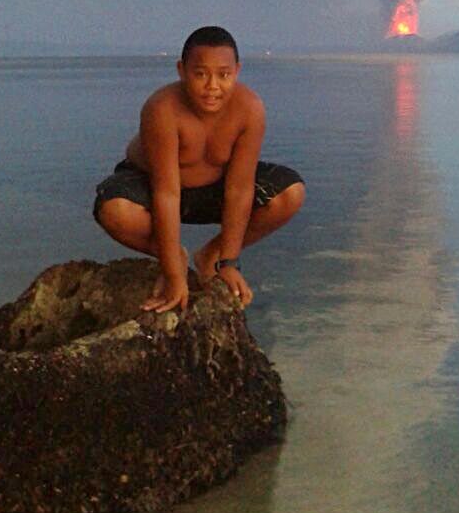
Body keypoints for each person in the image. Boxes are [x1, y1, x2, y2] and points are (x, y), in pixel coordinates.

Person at [93, 25, 305, 313]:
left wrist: (229, 263)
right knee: (113, 209)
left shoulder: (250, 108)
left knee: (290, 193)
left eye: (224, 75)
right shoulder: (162, 108)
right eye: (200, 74)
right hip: (157, 187)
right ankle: (174, 255)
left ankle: (211, 255)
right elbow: (166, 192)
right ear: (182, 71)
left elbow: (239, 187)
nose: (212, 86)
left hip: (216, 189)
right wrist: (173, 274)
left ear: (237, 71)